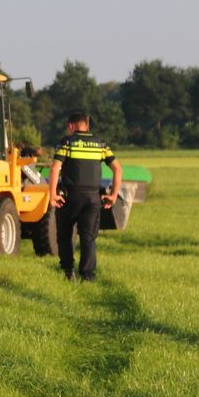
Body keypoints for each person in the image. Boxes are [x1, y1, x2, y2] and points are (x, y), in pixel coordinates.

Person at [49, 112, 122, 282]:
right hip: (92, 197)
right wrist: (113, 195)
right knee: (88, 238)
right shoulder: (100, 144)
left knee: (65, 235)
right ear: (87, 126)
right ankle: (88, 275)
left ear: (70, 126)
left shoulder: (67, 143)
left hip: (69, 197)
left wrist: (52, 195)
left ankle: (68, 271)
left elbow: (55, 168)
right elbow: (118, 169)